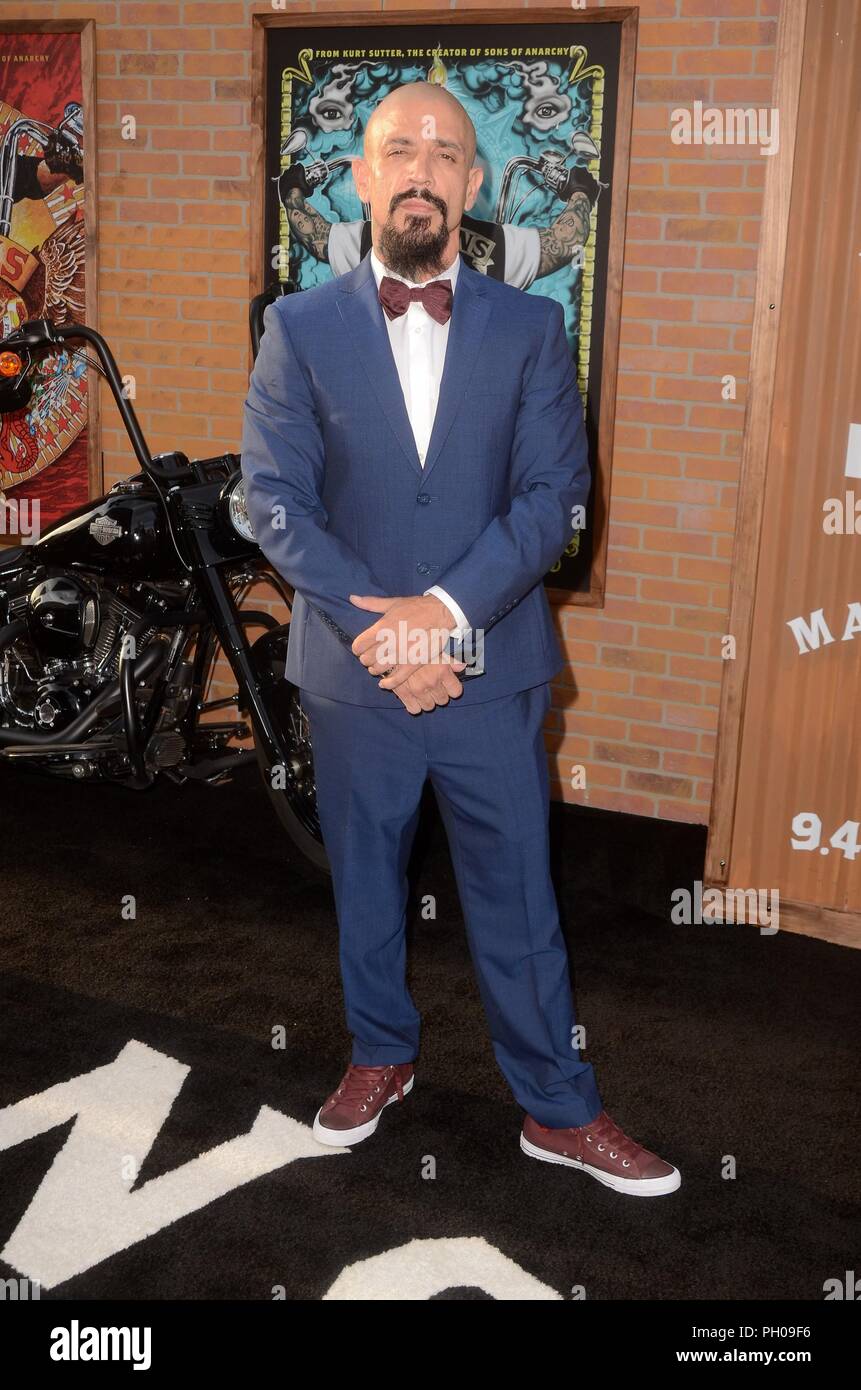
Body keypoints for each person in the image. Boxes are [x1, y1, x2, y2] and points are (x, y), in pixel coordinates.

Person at [241, 81, 680, 1197]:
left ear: (476, 185)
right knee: (367, 881)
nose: (423, 168)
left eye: (446, 151)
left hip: (492, 667)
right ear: (361, 174)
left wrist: (439, 620)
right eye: (400, 148)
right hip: (351, 674)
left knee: (518, 895)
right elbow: (277, 502)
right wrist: (383, 632)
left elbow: (551, 495)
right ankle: (380, 1053)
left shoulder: (536, 326)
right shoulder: (295, 327)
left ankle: (556, 1106)